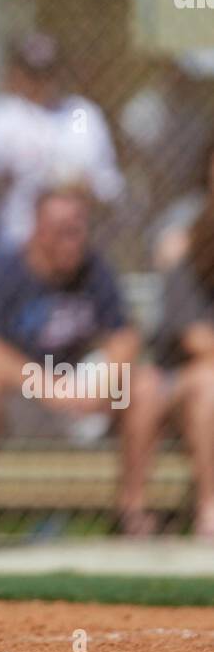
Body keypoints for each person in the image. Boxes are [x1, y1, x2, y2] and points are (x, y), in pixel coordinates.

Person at [0, 185, 158, 536]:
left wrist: (103, 382)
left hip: (76, 390)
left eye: (79, 229)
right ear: (38, 230)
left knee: (146, 384)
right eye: (63, 231)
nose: (74, 240)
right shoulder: (5, 268)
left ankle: (131, 510)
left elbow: (125, 337)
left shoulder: (94, 268)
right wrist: (44, 385)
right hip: (19, 397)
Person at [0, 32, 123, 254]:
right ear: (14, 72)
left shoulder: (83, 114)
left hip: (74, 245)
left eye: (48, 72)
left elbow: (111, 186)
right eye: (32, 73)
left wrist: (84, 184)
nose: (41, 82)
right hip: (14, 242)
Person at [134, 196, 214, 538]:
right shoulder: (190, 264)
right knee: (207, 381)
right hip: (180, 388)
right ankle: (209, 509)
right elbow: (195, 342)